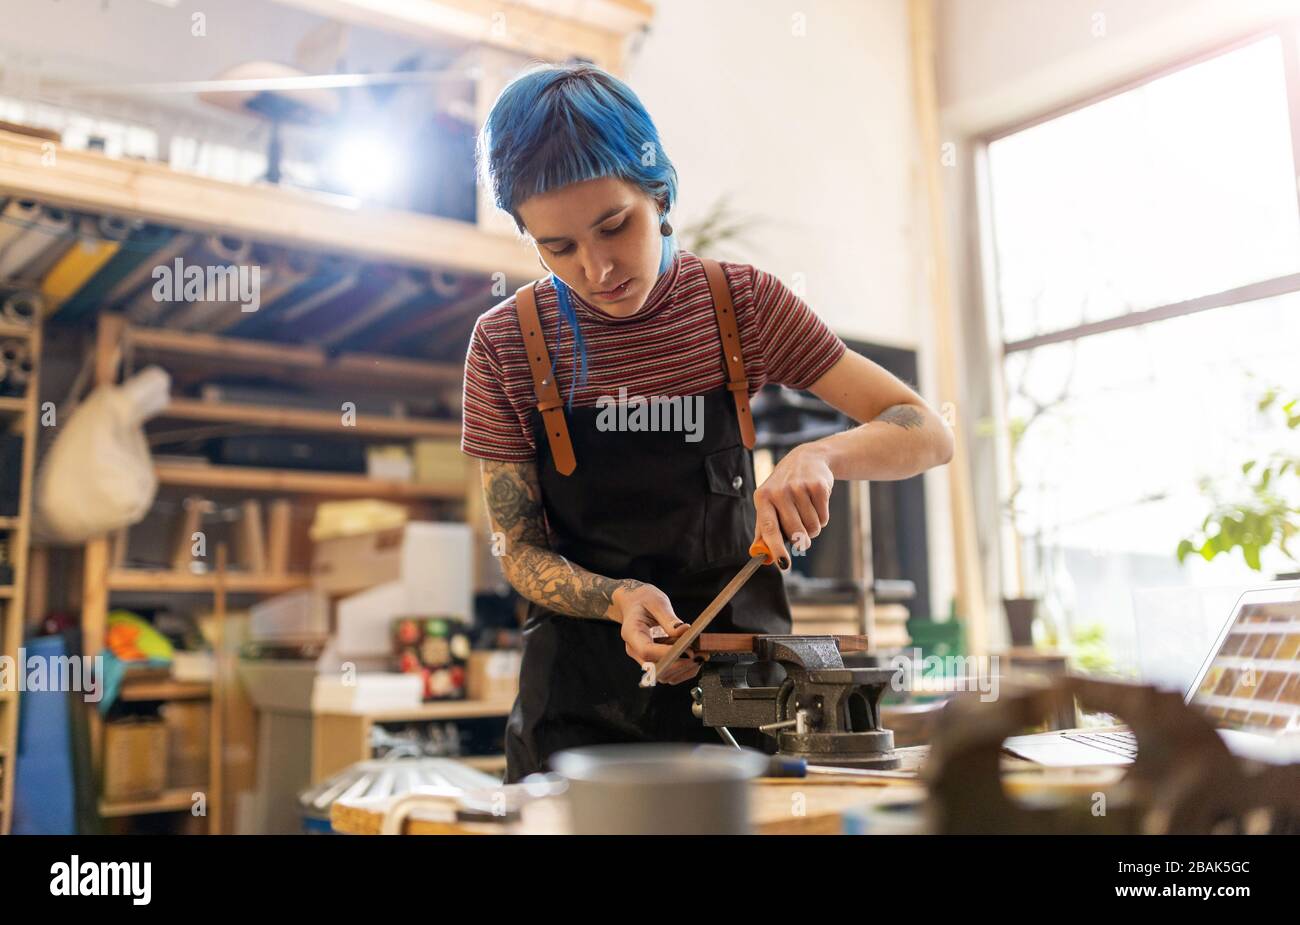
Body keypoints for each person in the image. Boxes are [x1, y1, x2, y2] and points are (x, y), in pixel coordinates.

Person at [462, 63, 954, 782]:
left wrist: (824, 455)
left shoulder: (741, 305)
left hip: (749, 707)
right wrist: (616, 599)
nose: (598, 269)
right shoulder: (505, 345)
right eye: (558, 247)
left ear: (658, 191)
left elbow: (925, 430)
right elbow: (518, 550)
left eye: (613, 225)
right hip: (577, 714)